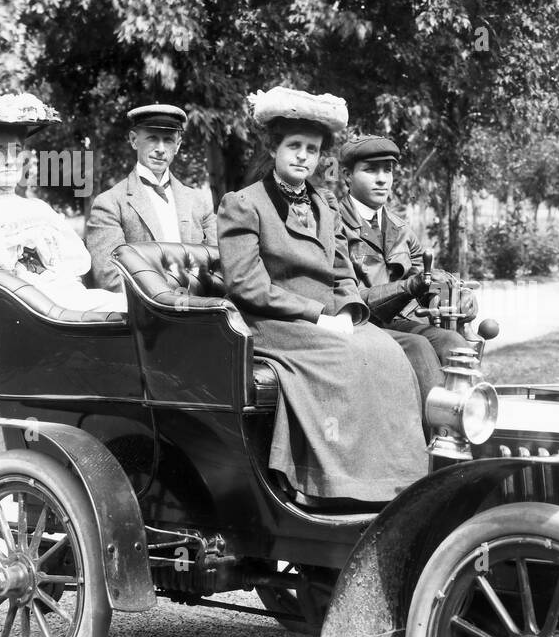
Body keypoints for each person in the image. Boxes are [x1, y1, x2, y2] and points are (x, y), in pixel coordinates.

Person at [217, 87, 428, 503]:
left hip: (324, 320)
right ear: (273, 148)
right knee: (347, 357)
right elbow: (248, 286)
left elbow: (340, 271)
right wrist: (317, 316)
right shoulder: (244, 204)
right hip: (270, 323)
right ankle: (327, 484)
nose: (302, 157)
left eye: (311, 150)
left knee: (388, 352)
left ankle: (398, 481)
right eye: (293, 146)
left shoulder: (324, 205)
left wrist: (350, 310)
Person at [0, 93, 124, 314]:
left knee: (134, 304)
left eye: (17, 150)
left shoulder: (38, 209)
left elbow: (76, 265)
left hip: (70, 302)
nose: (11, 160)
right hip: (27, 313)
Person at [337, 135, 477, 389]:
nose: (382, 179)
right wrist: (410, 286)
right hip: (356, 323)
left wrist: (454, 295)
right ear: (347, 175)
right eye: (370, 170)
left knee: (454, 344)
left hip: (396, 323)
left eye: (387, 171)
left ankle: (472, 419)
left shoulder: (400, 228)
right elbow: (349, 298)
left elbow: (424, 278)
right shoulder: (333, 223)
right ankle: (436, 426)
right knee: (418, 347)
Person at [86, 104, 217, 290]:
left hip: (201, 307)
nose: (161, 149)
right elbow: (111, 278)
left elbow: (219, 264)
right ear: (133, 140)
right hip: (147, 312)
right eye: (152, 139)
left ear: (178, 145)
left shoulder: (199, 202)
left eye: (169, 140)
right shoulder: (110, 204)